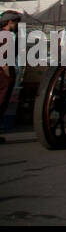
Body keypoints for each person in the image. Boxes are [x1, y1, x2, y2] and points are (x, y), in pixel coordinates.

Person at [0, 11, 20, 143]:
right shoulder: (6, 36)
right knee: (1, 102)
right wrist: (8, 75)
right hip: (3, 75)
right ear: (10, 22)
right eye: (16, 22)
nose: (17, 25)